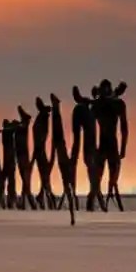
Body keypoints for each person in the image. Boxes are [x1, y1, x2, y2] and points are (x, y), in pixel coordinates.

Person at [92, 79, 129, 212]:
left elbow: (124, 128)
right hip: (107, 144)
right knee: (106, 176)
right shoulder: (111, 104)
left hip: (107, 144)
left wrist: (123, 148)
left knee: (108, 176)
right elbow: (124, 128)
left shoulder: (102, 104)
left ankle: (104, 199)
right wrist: (123, 148)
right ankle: (104, 199)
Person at [49, 94, 77, 225]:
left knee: (57, 128)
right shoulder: (68, 169)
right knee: (57, 128)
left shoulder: (68, 171)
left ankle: (56, 107)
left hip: (61, 153)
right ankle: (56, 107)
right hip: (62, 153)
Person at [72, 86, 101, 212]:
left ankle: (94, 198)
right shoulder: (86, 110)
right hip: (91, 147)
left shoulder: (93, 108)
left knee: (94, 173)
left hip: (94, 147)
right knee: (93, 173)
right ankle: (94, 199)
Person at [32, 97, 56, 209]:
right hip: (39, 150)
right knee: (44, 175)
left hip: (40, 150)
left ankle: (45, 196)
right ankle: (44, 196)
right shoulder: (41, 117)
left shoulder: (42, 118)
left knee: (45, 175)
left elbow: (42, 135)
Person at [15, 106, 38, 210]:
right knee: (25, 181)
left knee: (25, 181)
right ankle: (26, 203)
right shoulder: (21, 128)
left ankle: (29, 204)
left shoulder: (22, 128)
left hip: (23, 156)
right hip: (21, 156)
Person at [0, 119, 18, 209]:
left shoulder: (6, 132)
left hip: (7, 161)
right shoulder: (7, 132)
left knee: (7, 181)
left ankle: (7, 200)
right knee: (11, 182)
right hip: (9, 161)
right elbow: (13, 128)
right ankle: (10, 201)